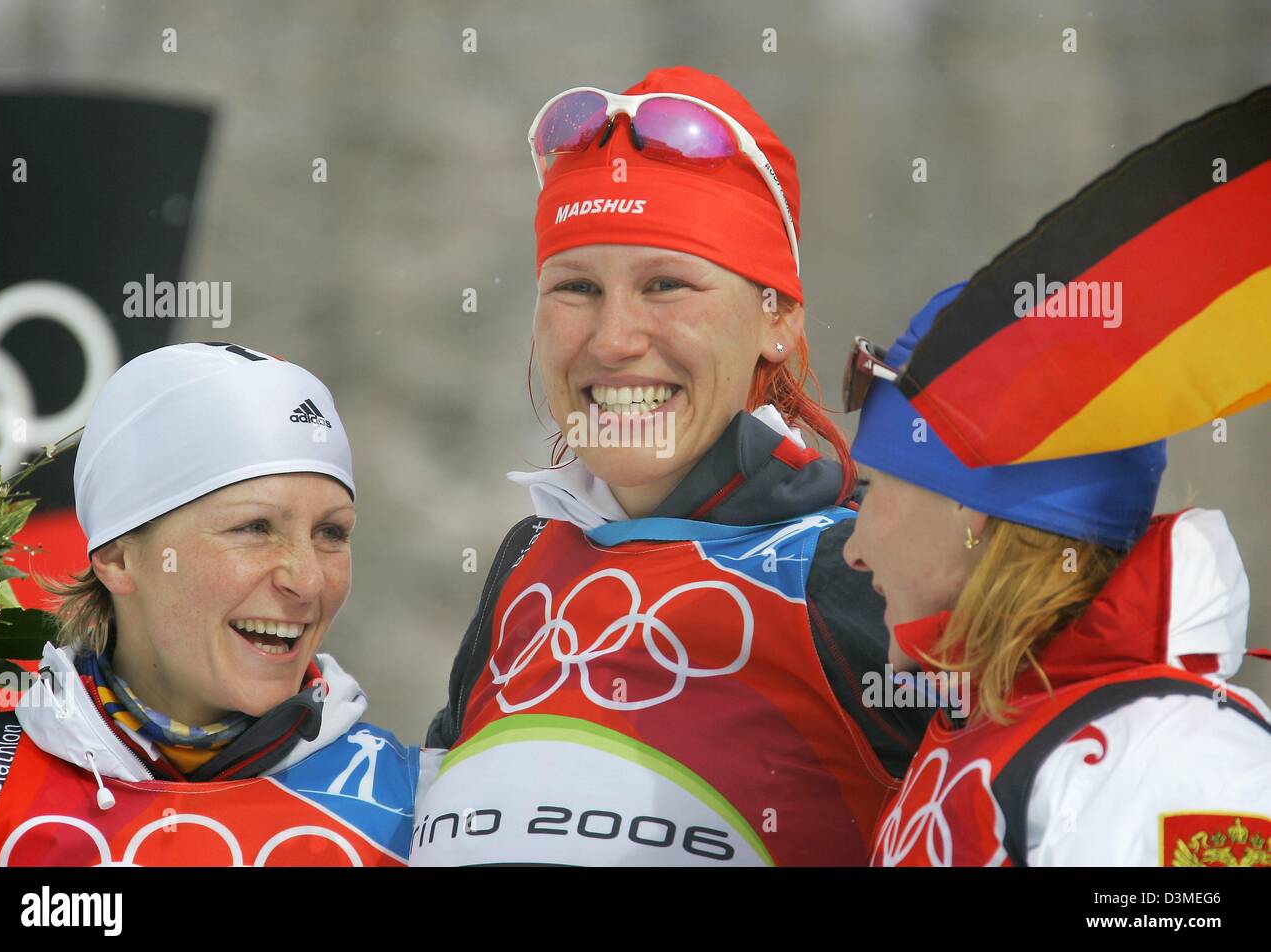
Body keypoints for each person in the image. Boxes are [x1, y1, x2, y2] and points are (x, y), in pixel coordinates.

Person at [413, 66, 933, 866]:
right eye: (576, 287)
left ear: (778, 319)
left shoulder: (851, 566)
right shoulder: (526, 565)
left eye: (666, 284)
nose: (614, 338)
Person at [841, 285, 1271, 866]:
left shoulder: (1172, 758)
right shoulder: (989, 717)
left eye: (874, 487)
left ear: (968, 507)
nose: (854, 551)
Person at [0, 341, 418, 867]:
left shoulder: (417, 805)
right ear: (117, 557)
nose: (308, 579)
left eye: (331, 532)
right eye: (254, 528)